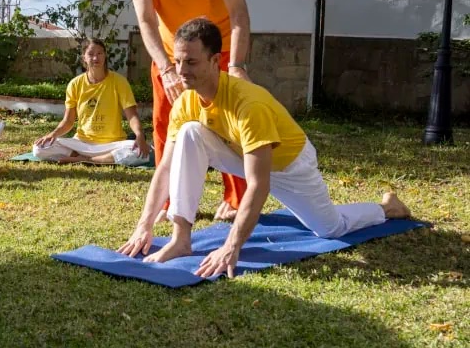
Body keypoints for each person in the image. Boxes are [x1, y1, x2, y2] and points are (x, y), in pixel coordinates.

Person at [117, 18, 411, 278]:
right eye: (178, 61)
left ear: (214, 60)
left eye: (191, 62)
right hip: (239, 153)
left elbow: (259, 184)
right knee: (190, 133)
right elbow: (166, 167)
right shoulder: (186, 102)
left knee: (329, 228)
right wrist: (144, 225)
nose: (181, 70)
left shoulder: (249, 104)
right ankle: (181, 239)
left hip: (289, 165)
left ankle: (386, 208)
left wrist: (231, 247)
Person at [125, 0, 251, 220]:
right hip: (169, 56)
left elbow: (238, 13)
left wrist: (235, 65)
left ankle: (238, 198)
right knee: (167, 127)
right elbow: (146, 20)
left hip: (215, 50)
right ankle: (169, 200)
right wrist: (167, 69)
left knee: (227, 126)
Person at [33, 38, 150, 164]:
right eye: (91, 54)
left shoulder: (119, 82)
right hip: (82, 143)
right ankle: (86, 158)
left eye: (99, 53)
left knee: (141, 153)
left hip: (112, 144)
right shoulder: (75, 84)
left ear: (105, 55)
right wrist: (53, 134)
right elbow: (68, 121)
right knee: (39, 148)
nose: (95, 58)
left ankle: (88, 160)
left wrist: (139, 135)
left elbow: (132, 115)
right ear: (84, 58)